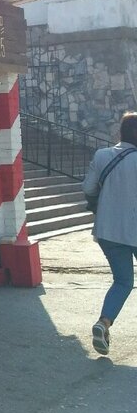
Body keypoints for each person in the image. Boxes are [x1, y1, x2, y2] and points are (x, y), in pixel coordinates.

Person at [82, 111, 137, 355]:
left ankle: (104, 323)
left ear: (120, 132)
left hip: (108, 230)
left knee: (123, 281)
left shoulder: (102, 155)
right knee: (124, 281)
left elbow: (88, 188)